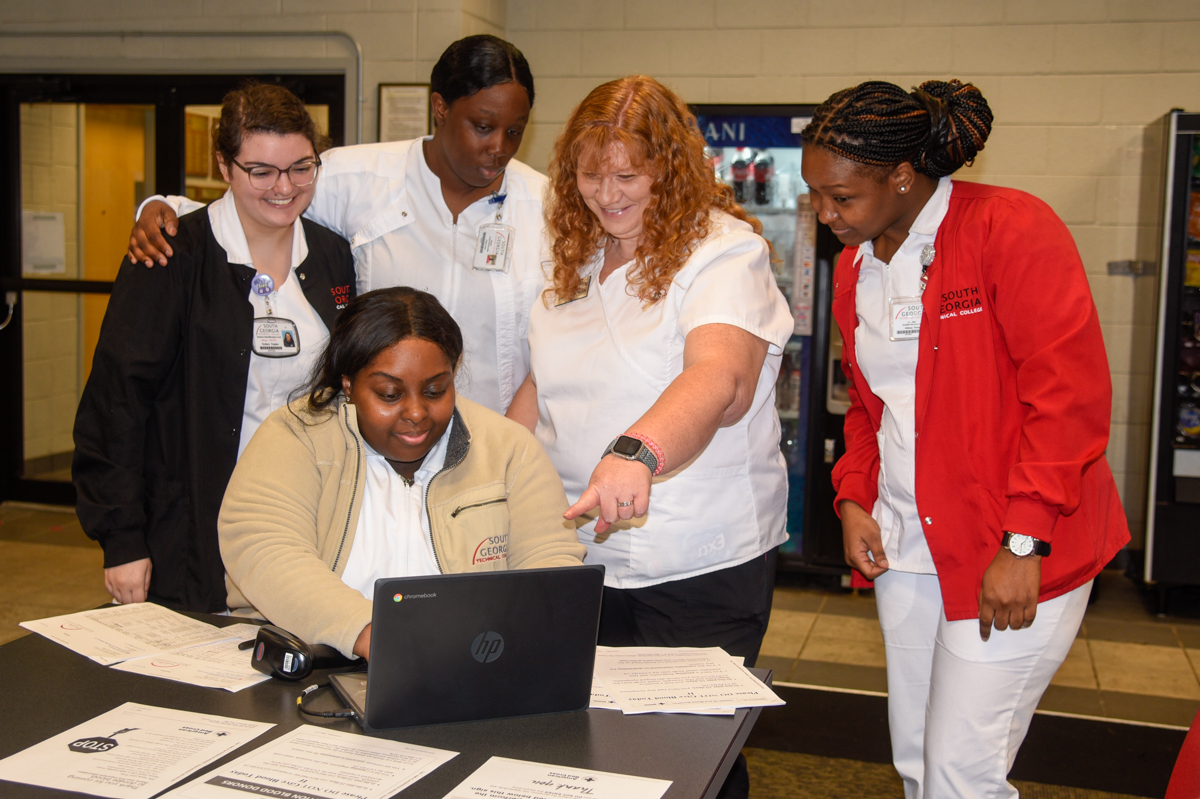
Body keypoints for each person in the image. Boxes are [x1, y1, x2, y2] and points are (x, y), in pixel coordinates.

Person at [800, 79, 1130, 798]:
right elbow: (866, 405)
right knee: (918, 759)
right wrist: (855, 497)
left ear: (901, 176)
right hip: (908, 547)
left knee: (960, 774)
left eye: (841, 197)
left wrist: (1024, 541)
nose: (824, 215)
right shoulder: (857, 267)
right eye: (814, 196)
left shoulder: (1008, 228)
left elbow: (1069, 399)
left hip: (1015, 550)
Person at [509, 74, 792, 667]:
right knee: (588, 736)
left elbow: (720, 378)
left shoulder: (723, 251)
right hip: (577, 554)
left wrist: (635, 452)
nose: (606, 194)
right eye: (591, 176)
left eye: (627, 176)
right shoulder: (577, 256)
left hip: (696, 559)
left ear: (668, 169)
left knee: (684, 753)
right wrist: (493, 470)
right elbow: (545, 381)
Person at [126, 35, 544, 414]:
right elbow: (262, 198)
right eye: (483, 127)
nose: (499, 148)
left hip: (493, 440)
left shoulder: (544, 206)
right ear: (440, 107)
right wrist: (162, 207)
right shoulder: (360, 177)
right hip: (377, 441)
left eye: (515, 132)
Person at [73, 82, 355, 612]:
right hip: (194, 528)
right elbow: (117, 404)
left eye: (301, 167)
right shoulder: (171, 255)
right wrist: (122, 539)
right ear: (224, 165)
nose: (284, 187)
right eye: (262, 171)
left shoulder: (333, 258)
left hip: (306, 519)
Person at [218, 287, 586, 659]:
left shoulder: (508, 448)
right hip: (312, 664)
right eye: (389, 394)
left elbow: (550, 567)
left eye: (435, 390)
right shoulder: (295, 437)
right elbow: (265, 549)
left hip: (465, 666)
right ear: (349, 384)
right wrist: (371, 634)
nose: (415, 412)